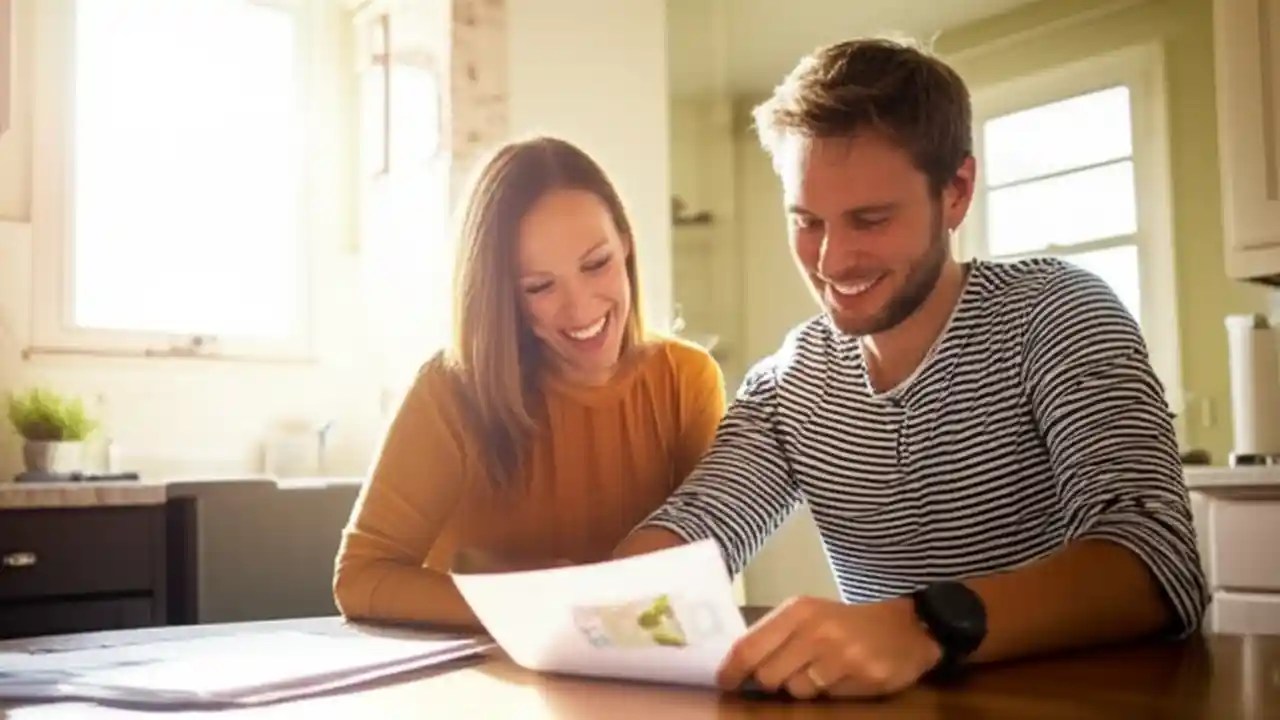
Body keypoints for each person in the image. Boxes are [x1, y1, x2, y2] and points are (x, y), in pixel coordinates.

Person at [616, 38, 1208, 700]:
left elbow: (1157, 564)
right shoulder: (788, 384)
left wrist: (923, 625)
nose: (833, 261)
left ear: (955, 192)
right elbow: (696, 532)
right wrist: (598, 605)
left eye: (870, 220)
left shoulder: (1057, 312)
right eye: (807, 221)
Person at [335, 137, 726, 629]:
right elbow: (361, 577)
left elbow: (708, 570)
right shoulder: (452, 389)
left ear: (625, 245)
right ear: (503, 296)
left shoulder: (685, 379)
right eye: (540, 287)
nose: (581, 308)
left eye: (596, 263)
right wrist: (529, 603)